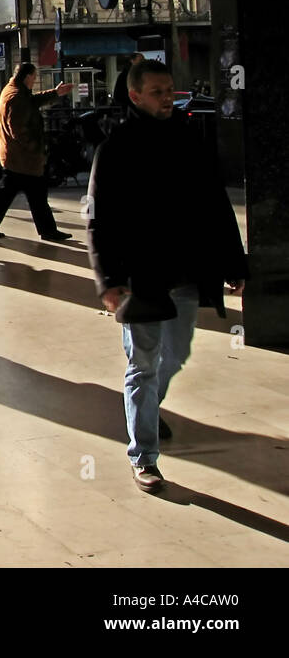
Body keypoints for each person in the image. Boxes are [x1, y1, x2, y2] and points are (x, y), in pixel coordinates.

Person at [88, 58, 247, 494]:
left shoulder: (189, 137)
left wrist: (235, 264)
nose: (167, 99)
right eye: (157, 92)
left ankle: (147, 408)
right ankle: (144, 457)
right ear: (135, 94)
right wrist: (109, 280)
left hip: (188, 273)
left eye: (170, 91)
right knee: (142, 366)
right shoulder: (116, 147)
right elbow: (99, 221)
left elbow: (216, 205)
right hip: (141, 279)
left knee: (175, 356)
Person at [0, 63, 75, 241]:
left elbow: (31, 101)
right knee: (33, 195)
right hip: (23, 158)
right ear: (28, 77)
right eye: (34, 77)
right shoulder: (16, 96)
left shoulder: (14, 90)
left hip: (16, 156)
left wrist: (55, 93)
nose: (35, 81)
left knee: (13, 195)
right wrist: (36, 149)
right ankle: (47, 230)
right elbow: (20, 129)